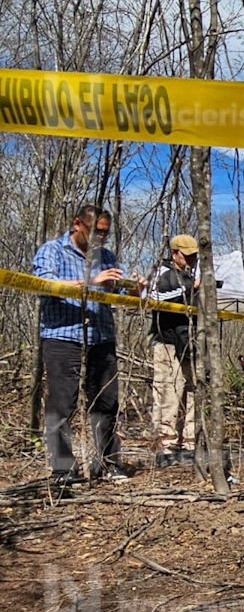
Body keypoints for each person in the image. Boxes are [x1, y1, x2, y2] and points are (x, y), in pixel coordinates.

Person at [33, 204, 144, 483]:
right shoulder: (52, 250)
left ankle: (106, 464)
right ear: (77, 224)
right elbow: (43, 284)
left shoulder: (106, 256)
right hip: (62, 335)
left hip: (101, 336)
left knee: (106, 402)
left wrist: (134, 288)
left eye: (106, 233)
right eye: (97, 231)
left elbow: (116, 290)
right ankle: (63, 470)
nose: (101, 238)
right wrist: (90, 280)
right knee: (61, 403)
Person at [147, 234, 200, 465]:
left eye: (194, 256)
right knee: (168, 393)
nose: (191, 260)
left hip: (189, 343)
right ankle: (165, 445)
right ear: (175, 254)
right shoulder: (162, 273)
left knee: (190, 393)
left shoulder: (192, 276)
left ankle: (188, 442)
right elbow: (153, 296)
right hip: (167, 343)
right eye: (187, 256)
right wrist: (188, 289)